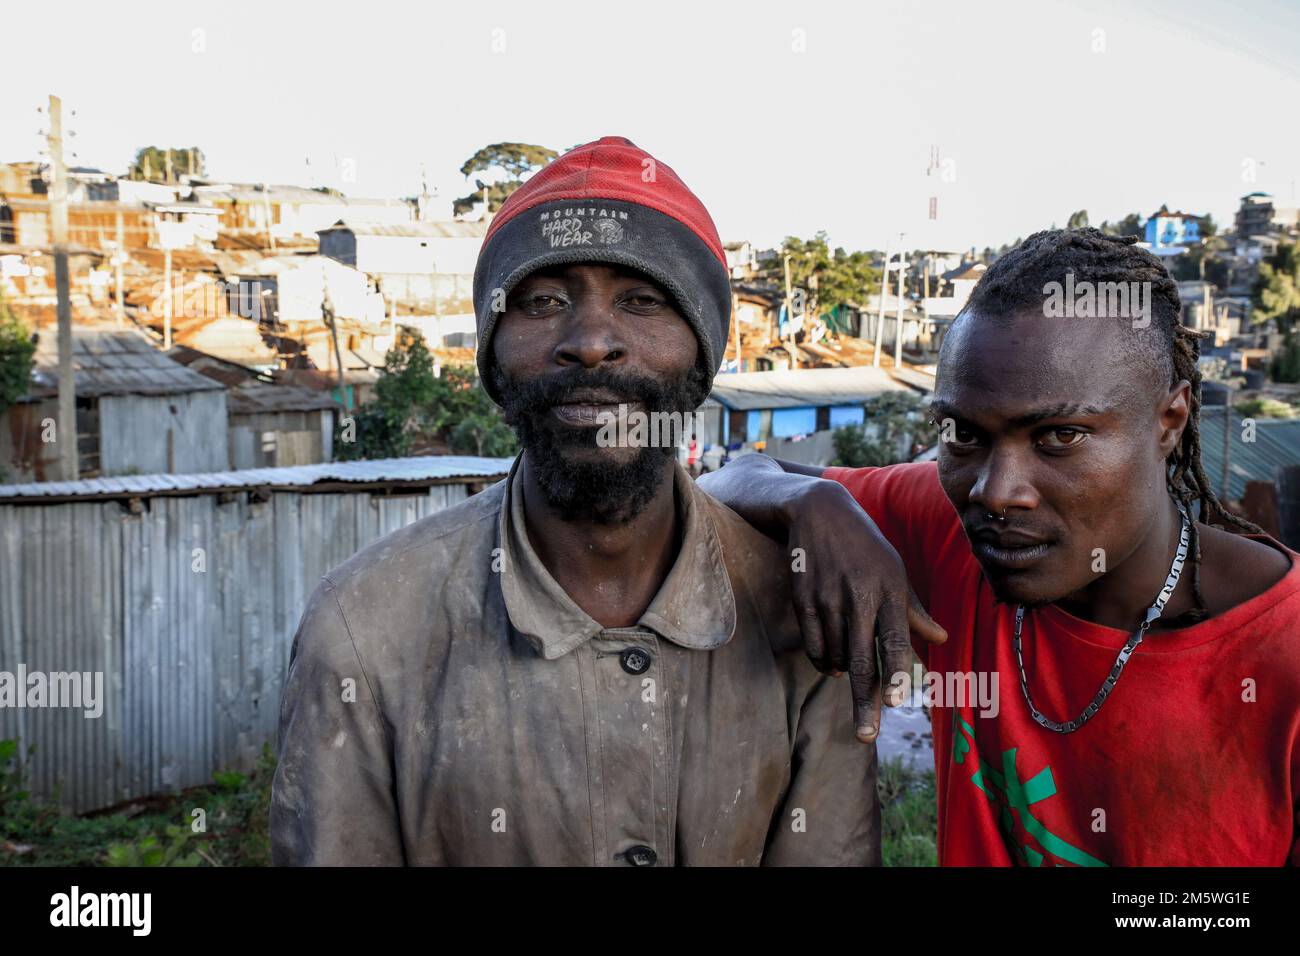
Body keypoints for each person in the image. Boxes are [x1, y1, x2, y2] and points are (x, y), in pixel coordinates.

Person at [270, 137, 878, 866]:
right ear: (494, 354)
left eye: (643, 300)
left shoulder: (803, 614)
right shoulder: (363, 630)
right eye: (543, 301)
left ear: (703, 350)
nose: (591, 341)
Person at [702, 229, 1300, 865]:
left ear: (1170, 421)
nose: (996, 491)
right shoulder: (946, 527)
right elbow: (729, 477)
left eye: (1060, 436)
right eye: (963, 434)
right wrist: (819, 506)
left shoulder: (1280, 658)